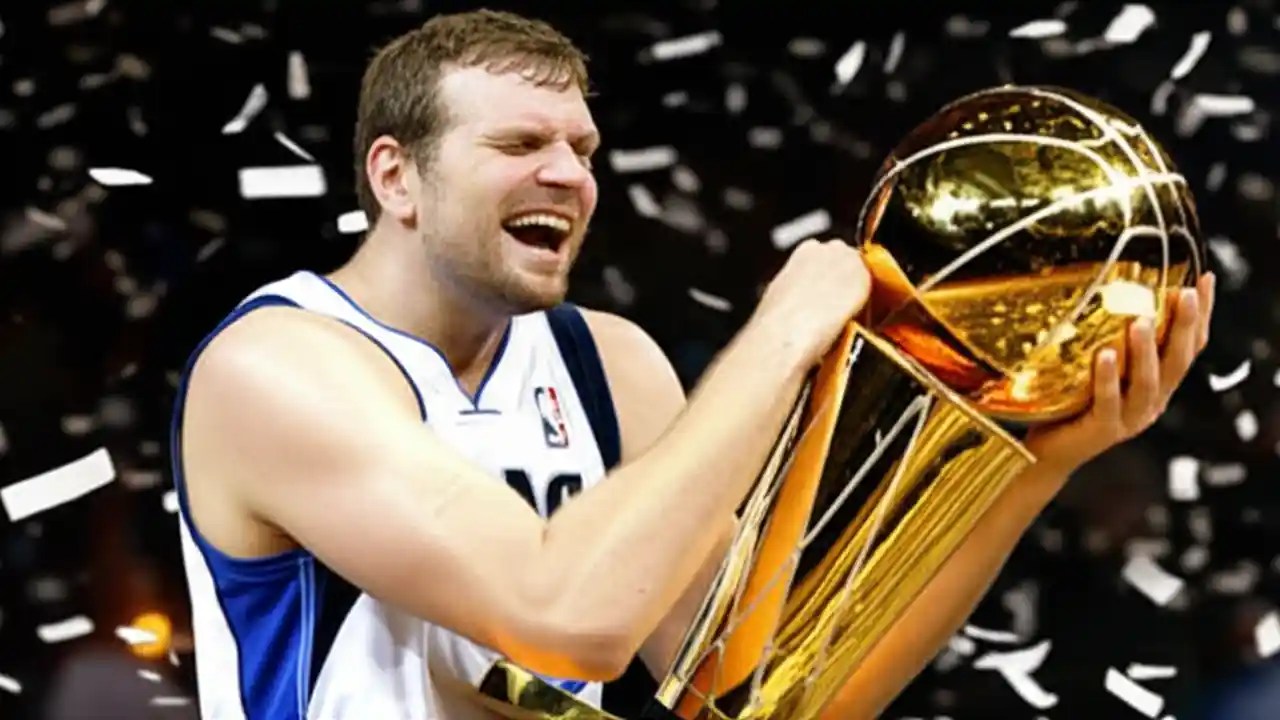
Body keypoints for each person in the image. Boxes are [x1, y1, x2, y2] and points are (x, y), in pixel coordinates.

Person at [168, 9, 1215, 720]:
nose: (568, 176)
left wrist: (1031, 464)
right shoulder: (277, 368)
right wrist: (779, 334)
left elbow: (755, 696)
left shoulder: (607, 364)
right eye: (519, 143)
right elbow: (565, 617)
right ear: (395, 177)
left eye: (581, 149)